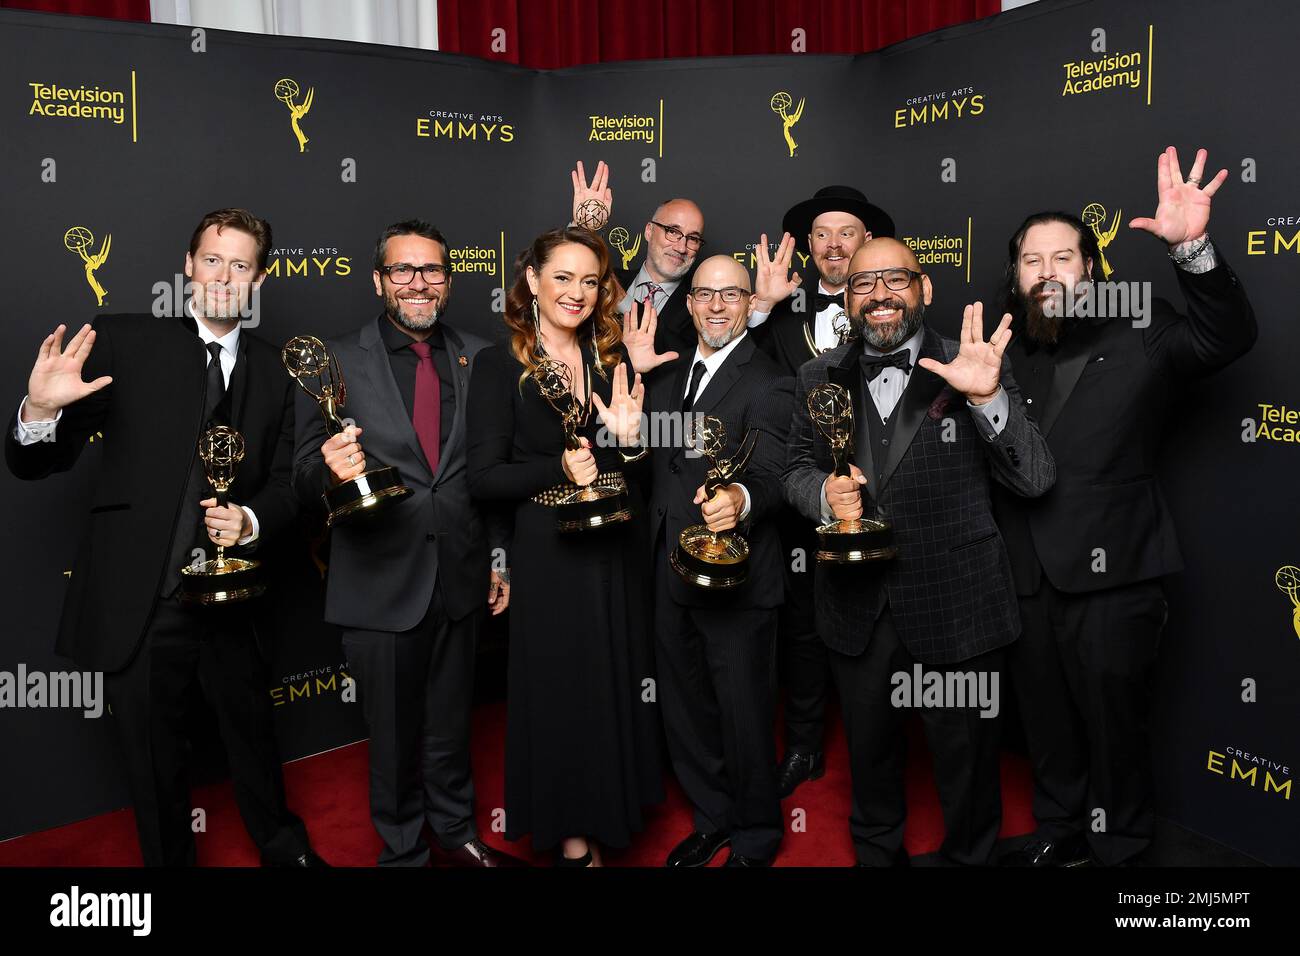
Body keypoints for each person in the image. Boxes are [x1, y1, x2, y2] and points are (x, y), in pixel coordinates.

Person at [6, 208, 324, 867]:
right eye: (212, 259)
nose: (223, 276)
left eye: (240, 265)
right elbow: (38, 463)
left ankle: (284, 849)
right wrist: (38, 412)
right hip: (143, 602)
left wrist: (252, 521)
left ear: (259, 281)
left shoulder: (279, 372)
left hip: (236, 601)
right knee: (151, 761)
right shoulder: (125, 342)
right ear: (188, 266)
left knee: (254, 738)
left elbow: (293, 485)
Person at [994, 147, 1257, 867]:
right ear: (1016, 276)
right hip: (1024, 575)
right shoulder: (999, 353)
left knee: (1115, 723)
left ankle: (1120, 847)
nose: (1047, 272)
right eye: (1032, 261)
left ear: (1091, 269)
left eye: (1064, 258)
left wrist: (1193, 249)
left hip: (1116, 574)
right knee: (1043, 718)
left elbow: (1225, 338)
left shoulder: (1144, 327)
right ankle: (1057, 826)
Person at [782, 237, 1055, 866]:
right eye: (861, 282)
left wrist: (987, 399)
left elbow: (1035, 477)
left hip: (958, 606)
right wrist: (824, 494)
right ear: (845, 297)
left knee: (966, 767)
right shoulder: (816, 375)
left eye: (895, 279)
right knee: (870, 765)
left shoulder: (973, 362)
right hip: (855, 609)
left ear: (924, 288)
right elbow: (795, 467)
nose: (878, 294)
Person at [292, 220, 516, 868]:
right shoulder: (333, 361)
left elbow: (491, 477)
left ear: (448, 279)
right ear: (379, 280)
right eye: (403, 270)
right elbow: (301, 477)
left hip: (462, 575)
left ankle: (456, 831)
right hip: (378, 580)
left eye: (432, 270)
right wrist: (326, 468)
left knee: (452, 726)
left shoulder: (482, 356)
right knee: (391, 739)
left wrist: (498, 558)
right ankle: (403, 852)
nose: (419, 283)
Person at [466, 226, 663, 866]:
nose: (576, 293)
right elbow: (484, 476)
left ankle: (611, 811)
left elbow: (639, 473)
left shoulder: (614, 361)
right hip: (549, 555)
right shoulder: (501, 366)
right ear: (532, 281)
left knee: (612, 682)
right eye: (562, 277)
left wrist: (631, 444)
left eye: (589, 280)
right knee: (560, 691)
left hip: (615, 552)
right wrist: (562, 469)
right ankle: (575, 839)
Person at [749, 186, 897, 797]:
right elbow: (738, 373)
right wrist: (760, 307)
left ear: (867, 241)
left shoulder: (891, 305)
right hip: (801, 495)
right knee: (806, 628)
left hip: (881, 498)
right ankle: (807, 745)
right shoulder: (781, 314)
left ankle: (887, 754)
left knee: (889, 626)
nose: (835, 244)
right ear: (808, 247)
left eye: (847, 232)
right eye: (822, 234)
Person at [646, 256, 794, 867]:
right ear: (689, 303)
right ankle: (713, 817)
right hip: (667, 569)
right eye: (703, 294)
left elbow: (778, 475)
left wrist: (741, 498)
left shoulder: (771, 380)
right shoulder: (666, 375)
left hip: (739, 576)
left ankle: (756, 836)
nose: (714, 305)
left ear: (747, 303)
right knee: (685, 710)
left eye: (730, 295)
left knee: (744, 715)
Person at [616, 198, 707, 360]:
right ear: (649, 231)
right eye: (672, 231)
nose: (681, 248)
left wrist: (622, 300)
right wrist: (581, 227)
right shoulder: (610, 280)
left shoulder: (700, 306)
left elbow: (672, 348)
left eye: (693, 239)